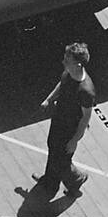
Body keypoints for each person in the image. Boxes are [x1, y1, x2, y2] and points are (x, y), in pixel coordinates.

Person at [35, 42, 95, 197]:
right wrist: (49, 99)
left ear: (79, 64)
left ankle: (77, 179)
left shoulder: (86, 90)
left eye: (67, 60)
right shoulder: (69, 72)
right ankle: (50, 183)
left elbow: (86, 117)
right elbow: (61, 84)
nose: (64, 61)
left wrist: (75, 140)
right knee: (53, 149)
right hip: (59, 119)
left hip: (70, 128)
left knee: (61, 159)